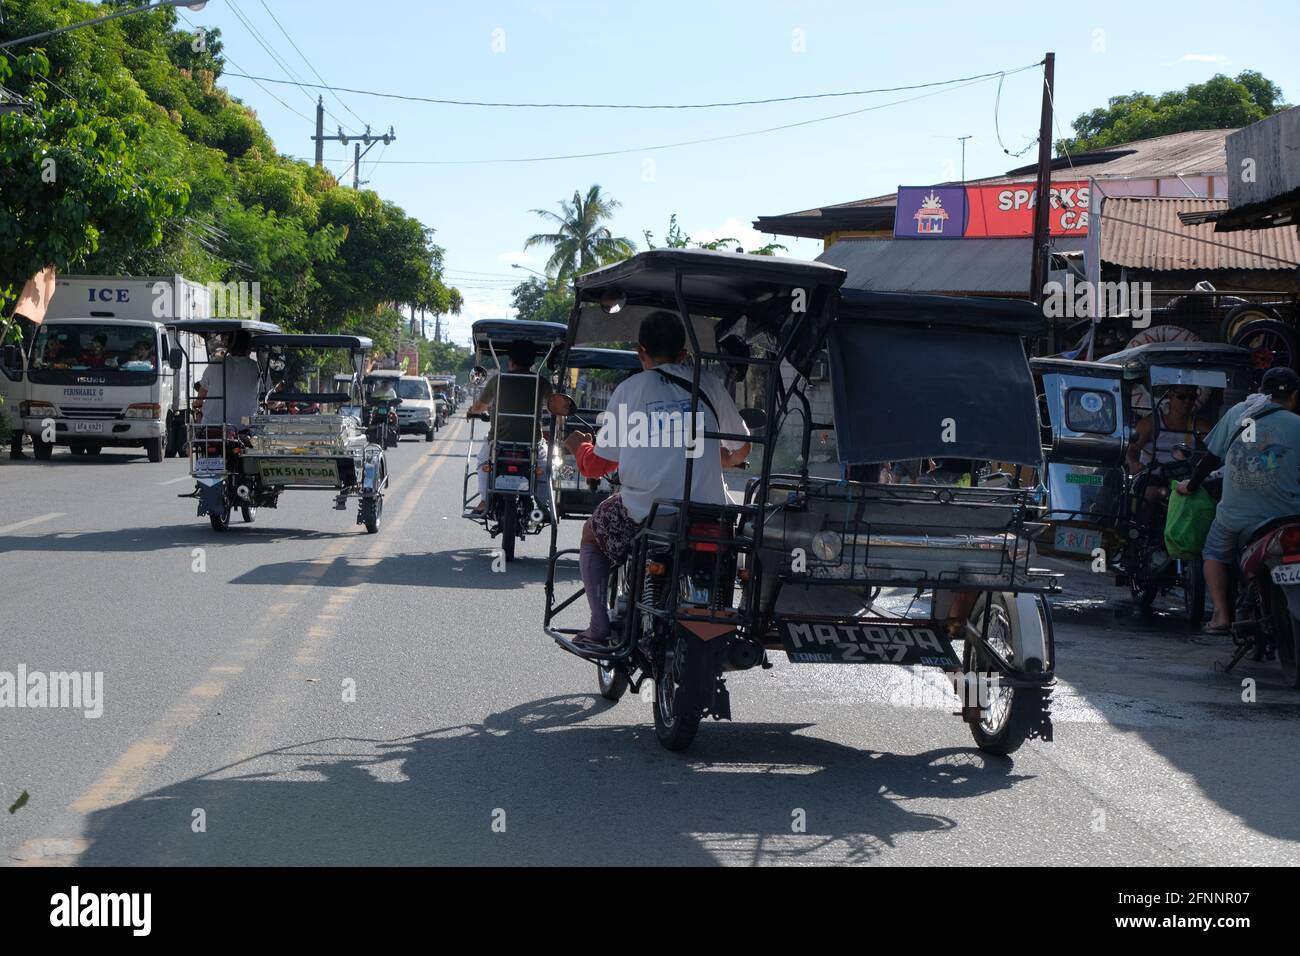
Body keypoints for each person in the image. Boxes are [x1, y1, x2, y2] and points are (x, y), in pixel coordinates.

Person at [562, 310, 751, 645]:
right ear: (683, 355)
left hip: (646, 510)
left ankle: (599, 626)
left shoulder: (630, 389)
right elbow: (742, 450)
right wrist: (720, 459)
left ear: (640, 351)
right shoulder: (707, 383)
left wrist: (580, 447)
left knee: (591, 532)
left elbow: (596, 467)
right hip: (708, 510)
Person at [1177, 366, 1300, 633]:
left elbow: (1209, 459)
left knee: (1213, 553)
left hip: (1236, 517)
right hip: (1288, 516)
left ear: (1261, 391)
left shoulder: (1238, 413)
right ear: (1293, 396)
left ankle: (1222, 615)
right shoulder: (1297, 424)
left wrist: (1191, 485)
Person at [466, 340, 559, 516]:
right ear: (532, 362)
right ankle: (542, 504)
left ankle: (484, 500)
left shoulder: (498, 380)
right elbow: (554, 406)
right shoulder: (542, 382)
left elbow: (479, 407)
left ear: (511, 361)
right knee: (547, 467)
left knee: (482, 461)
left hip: (499, 442)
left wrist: (471, 411)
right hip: (531, 444)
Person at [1127, 386, 1214, 475]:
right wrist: (1133, 462)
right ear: (1170, 396)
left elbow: (1218, 448)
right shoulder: (1150, 423)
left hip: (1183, 479)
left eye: (1192, 397)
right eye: (1182, 396)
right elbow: (1132, 448)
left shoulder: (1199, 426)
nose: (1187, 401)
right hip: (1151, 476)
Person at [193, 331, 260, 428]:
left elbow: (201, 395)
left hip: (212, 425)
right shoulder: (256, 368)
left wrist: (196, 406)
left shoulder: (215, 365)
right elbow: (268, 396)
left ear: (229, 346)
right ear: (249, 348)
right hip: (244, 425)